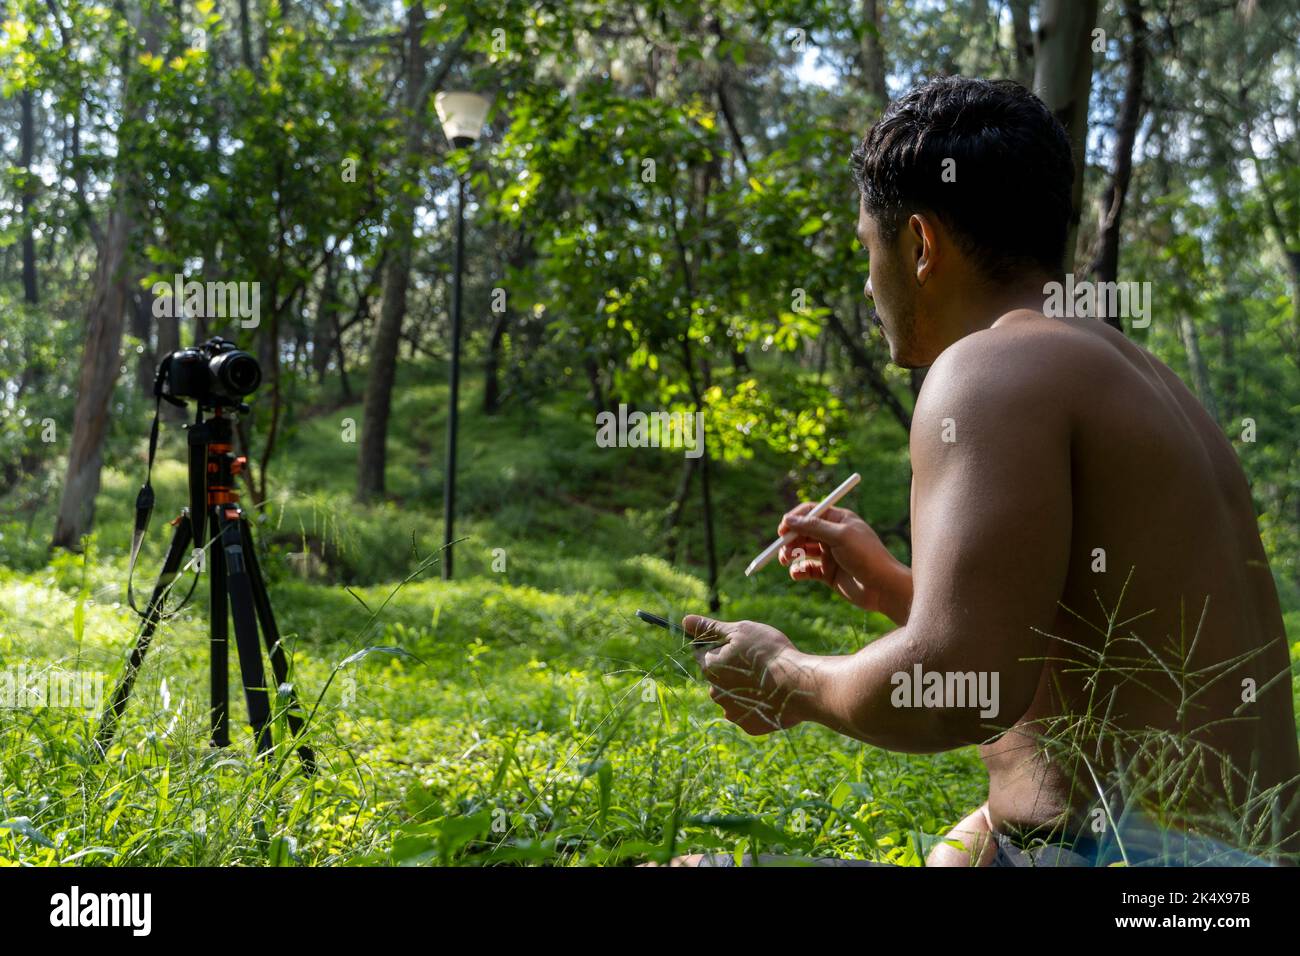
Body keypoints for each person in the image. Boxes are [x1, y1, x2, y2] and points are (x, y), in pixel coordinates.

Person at [674, 76, 1300, 867]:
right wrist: (898, 590)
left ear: (920, 245)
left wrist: (785, 674)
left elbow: (959, 682)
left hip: (1138, 866)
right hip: (1227, 874)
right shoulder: (1138, 376)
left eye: (870, 249)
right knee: (962, 848)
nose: (870, 286)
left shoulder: (987, 371)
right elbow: (1064, 657)